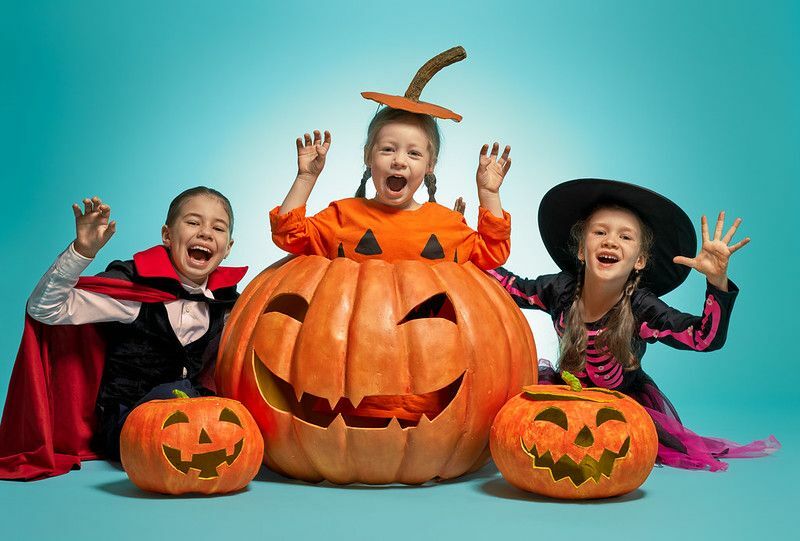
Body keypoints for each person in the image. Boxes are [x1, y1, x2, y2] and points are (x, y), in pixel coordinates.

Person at [489, 178, 779, 471]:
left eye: (625, 237)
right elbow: (508, 287)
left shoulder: (641, 308)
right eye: (599, 232)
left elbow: (703, 337)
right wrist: (464, 242)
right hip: (566, 395)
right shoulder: (560, 289)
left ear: (639, 260)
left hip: (619, 409)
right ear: (581, 250)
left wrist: (716, 280)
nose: (610, 240)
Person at [0, 187, 247, 479]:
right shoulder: (131, 292)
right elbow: (44, 309)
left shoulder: (227, 304)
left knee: (233, 413)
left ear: (228, 246)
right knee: (171, 397)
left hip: (192, 418)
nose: (205, 233)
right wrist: (82, 252)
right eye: (193, 222)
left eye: (217, 228)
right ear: (167, 236)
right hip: (125, 424)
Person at [270, 107, 513, 269]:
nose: (399, 160)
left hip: (427, 340)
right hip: (352, 339)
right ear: (368, 156)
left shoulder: (446, 224)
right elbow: (288, 235)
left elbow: (493, 252)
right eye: (388, 149)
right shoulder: (342, 216)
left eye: (414, 153)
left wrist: (489, 194)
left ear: (430, 165)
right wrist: (305, 178)